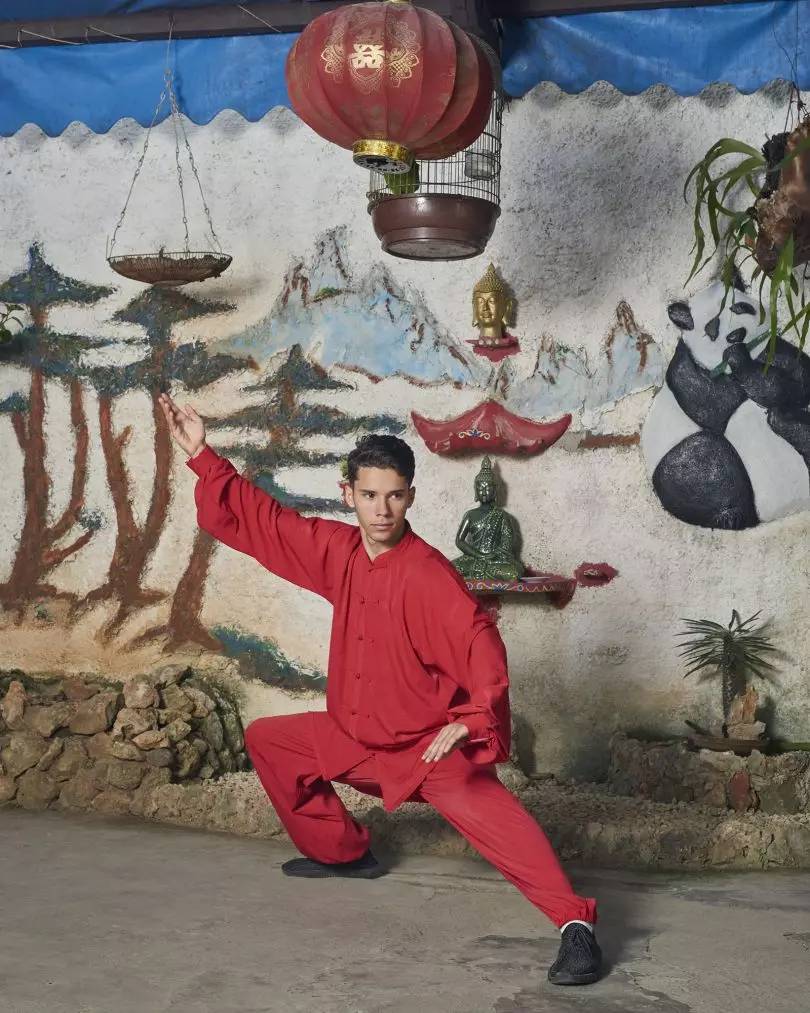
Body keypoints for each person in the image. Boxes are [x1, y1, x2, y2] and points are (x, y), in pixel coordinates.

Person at [158, 393, 602, 987]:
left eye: (395, 495)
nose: (382, 509)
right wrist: (202, 454)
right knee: (271, 741)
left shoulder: (429, 573)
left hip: (429, 751)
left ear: (411, 496)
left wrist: (470, 721)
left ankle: (576, 928)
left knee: (509, 832)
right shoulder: (337, 550)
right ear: (349, 495)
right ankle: (344, 852)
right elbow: (269, 523)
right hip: (354, 739)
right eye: (369, 495)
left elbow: (481, 644)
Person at [452, 455, 523, 582]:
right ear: (475, 490)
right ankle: (480, 571)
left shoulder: (503, 516)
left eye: (487, 488)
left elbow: (507, 542)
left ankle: (478, 573)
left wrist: (493, 556)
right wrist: (479, 555)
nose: (484, 492)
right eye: (480, 488)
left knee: (514, 572)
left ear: (495, 491)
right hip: (474, 558)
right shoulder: (470, 515)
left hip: (495, 561)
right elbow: (459, 541)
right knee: (449, 569)